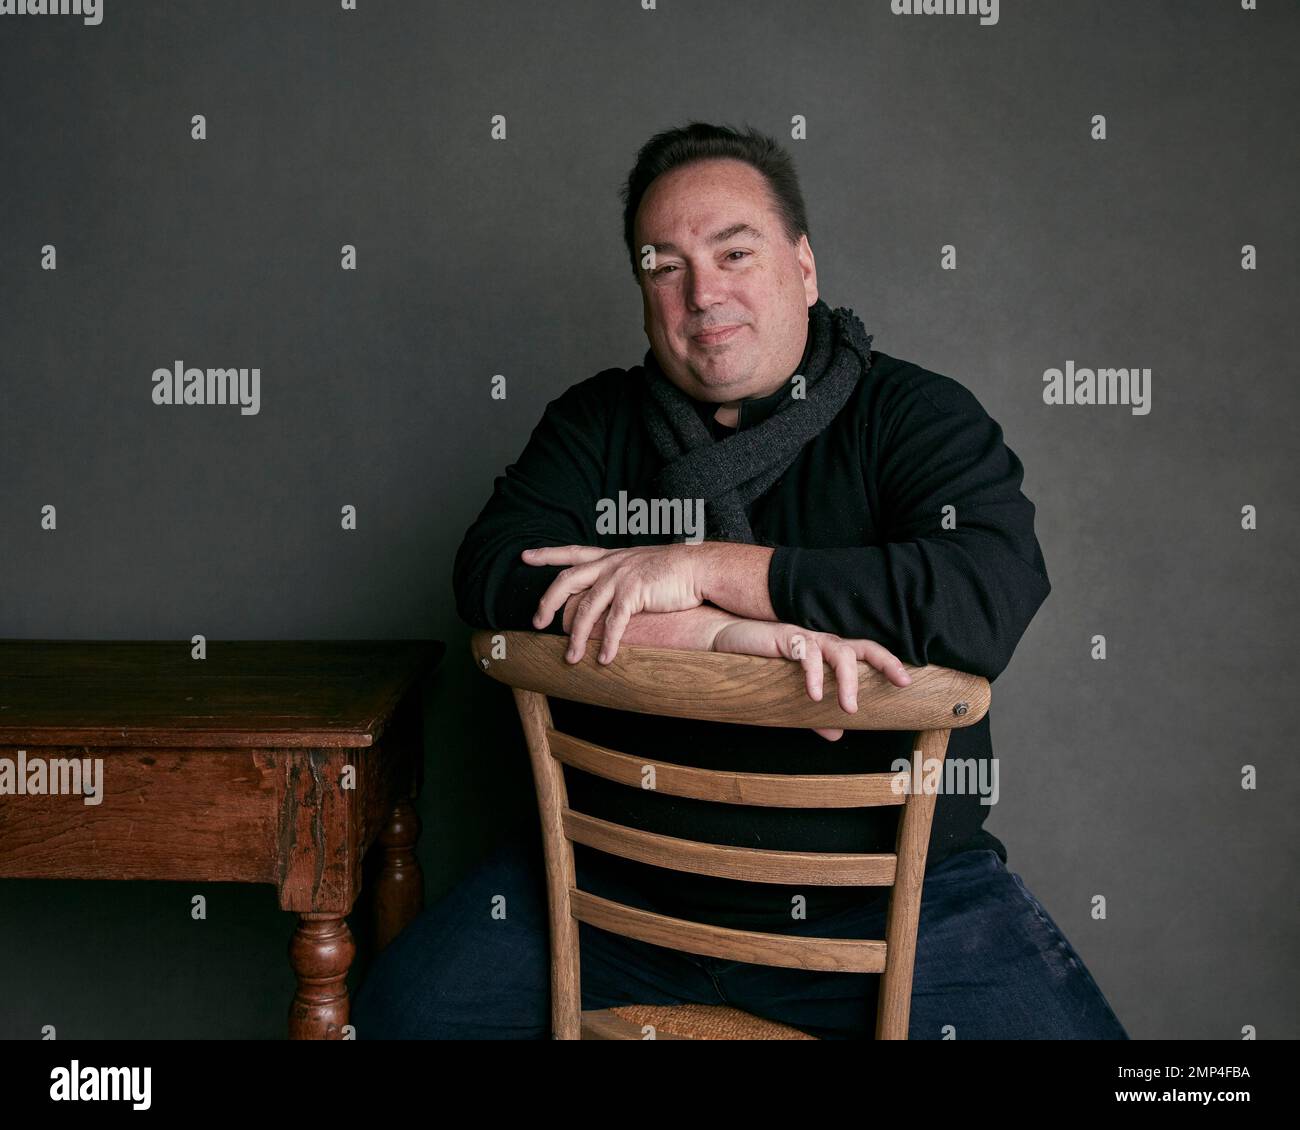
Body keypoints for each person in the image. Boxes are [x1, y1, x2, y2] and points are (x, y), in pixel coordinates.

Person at [352, 121, 1129, 1039]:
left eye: (734, 252)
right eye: (665, 265)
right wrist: (732, 636)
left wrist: (700, 569)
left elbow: (981, 595)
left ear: (803, 266)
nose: (702, 295)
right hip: (607, 883)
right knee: (400, 1018)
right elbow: (492, 574)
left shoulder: (917, 416)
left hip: (891, 895)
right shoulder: (595, 423)